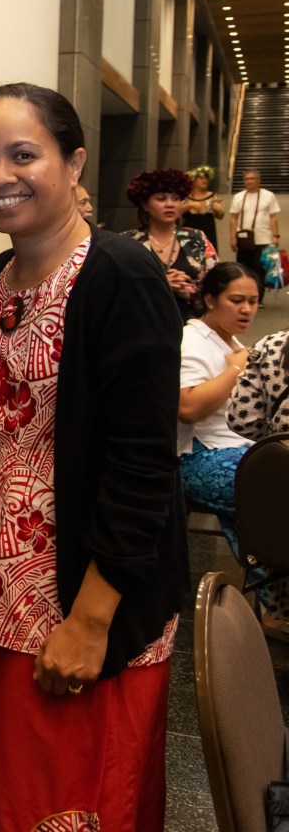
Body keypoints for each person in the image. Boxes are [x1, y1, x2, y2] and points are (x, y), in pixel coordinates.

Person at [0, 82, 189, 829]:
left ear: (75, 162)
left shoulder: (119, 275)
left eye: (24, 155)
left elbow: (143, 465)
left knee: (69, 807)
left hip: (77, 610)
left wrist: (89, 622)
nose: (0, 176)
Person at [179, 263, 288, 628]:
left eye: (253, 301)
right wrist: (235, 369)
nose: (247, 310)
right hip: (198, 455)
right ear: (210, 299)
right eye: (236, 300)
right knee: (271, 497)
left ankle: (275, 608)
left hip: (239, 451)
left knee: (266, 501)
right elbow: (188, 408)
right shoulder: (192, 339)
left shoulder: (235, 344)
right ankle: (277, 606)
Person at [123, 169, 217, 323]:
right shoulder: (129, 241)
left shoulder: (197, 238)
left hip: (191, 327)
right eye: (161, 199)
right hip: (143, 325)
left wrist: (190, 292)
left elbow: (218, 287)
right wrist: (161, 285)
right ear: (145, 205)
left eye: (176, 198)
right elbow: (117, 289)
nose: (170, 204)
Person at [229, 169, 279, 270]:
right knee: (244, 270)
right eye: (246, 179)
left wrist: (275, 236)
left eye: (252, 179)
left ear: (259, 180)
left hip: (264, 240)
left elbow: (273, 217)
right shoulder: (238, 197)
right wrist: (233, 238)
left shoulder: (269, 196)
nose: (249, 181)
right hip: (244, 240)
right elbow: (233, 218)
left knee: (261, 270)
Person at [182, 168, 223, 248]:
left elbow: (220, 216)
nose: (205, 181)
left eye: (206, 178)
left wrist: (219, 211)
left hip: (208, 233)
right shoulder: (185, 197)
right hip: (189, 234)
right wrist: (190, 205)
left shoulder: (213, 196)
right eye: (201, 178)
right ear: (193, 181)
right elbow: (178, 212)